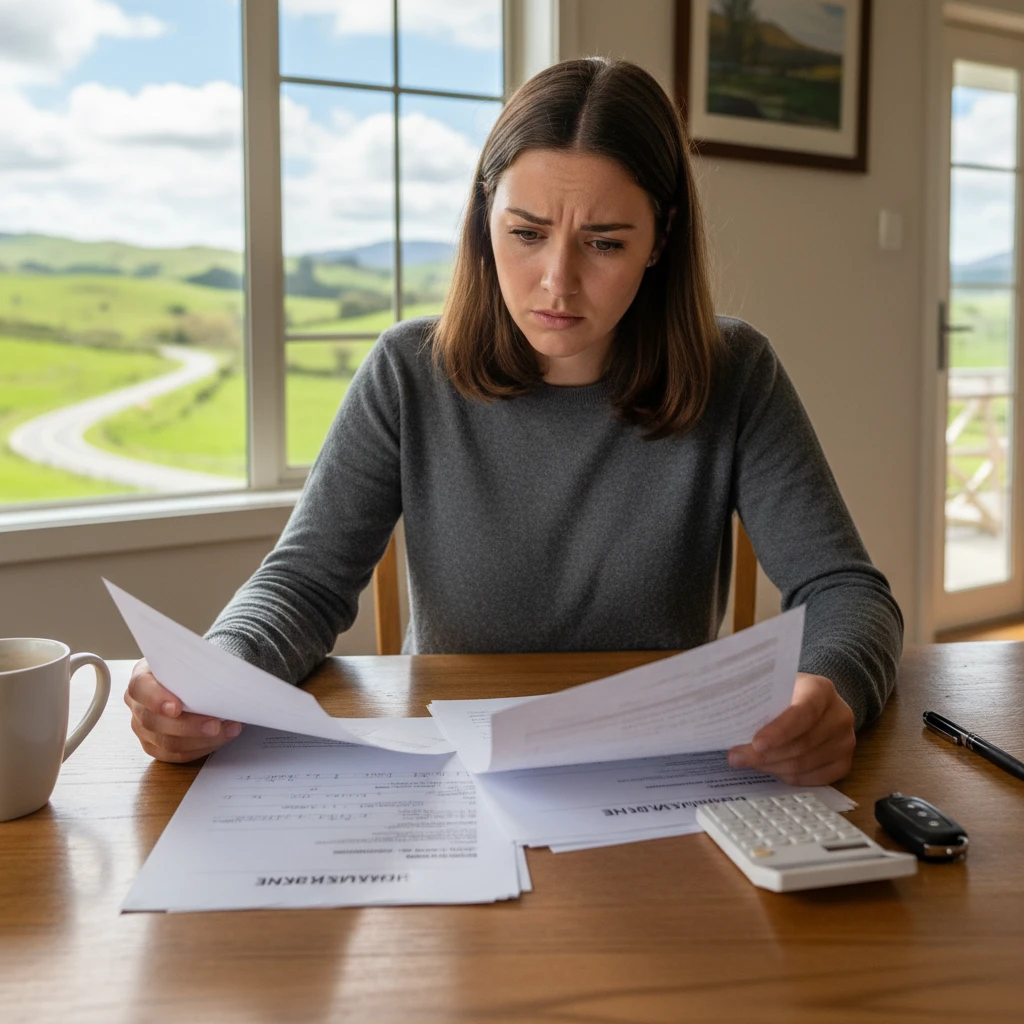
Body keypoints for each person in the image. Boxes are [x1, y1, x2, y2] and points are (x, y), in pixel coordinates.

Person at [124, 57, 903, 785]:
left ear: (660, 240)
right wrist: (215, 675)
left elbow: (843, 589)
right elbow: (304, 583)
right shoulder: (406, 370)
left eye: (604, 243)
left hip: (655, 773)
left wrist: (833, 689)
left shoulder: (735, 371)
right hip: (459, 776)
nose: (556, 282)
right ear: (483, 218)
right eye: (526, 234)